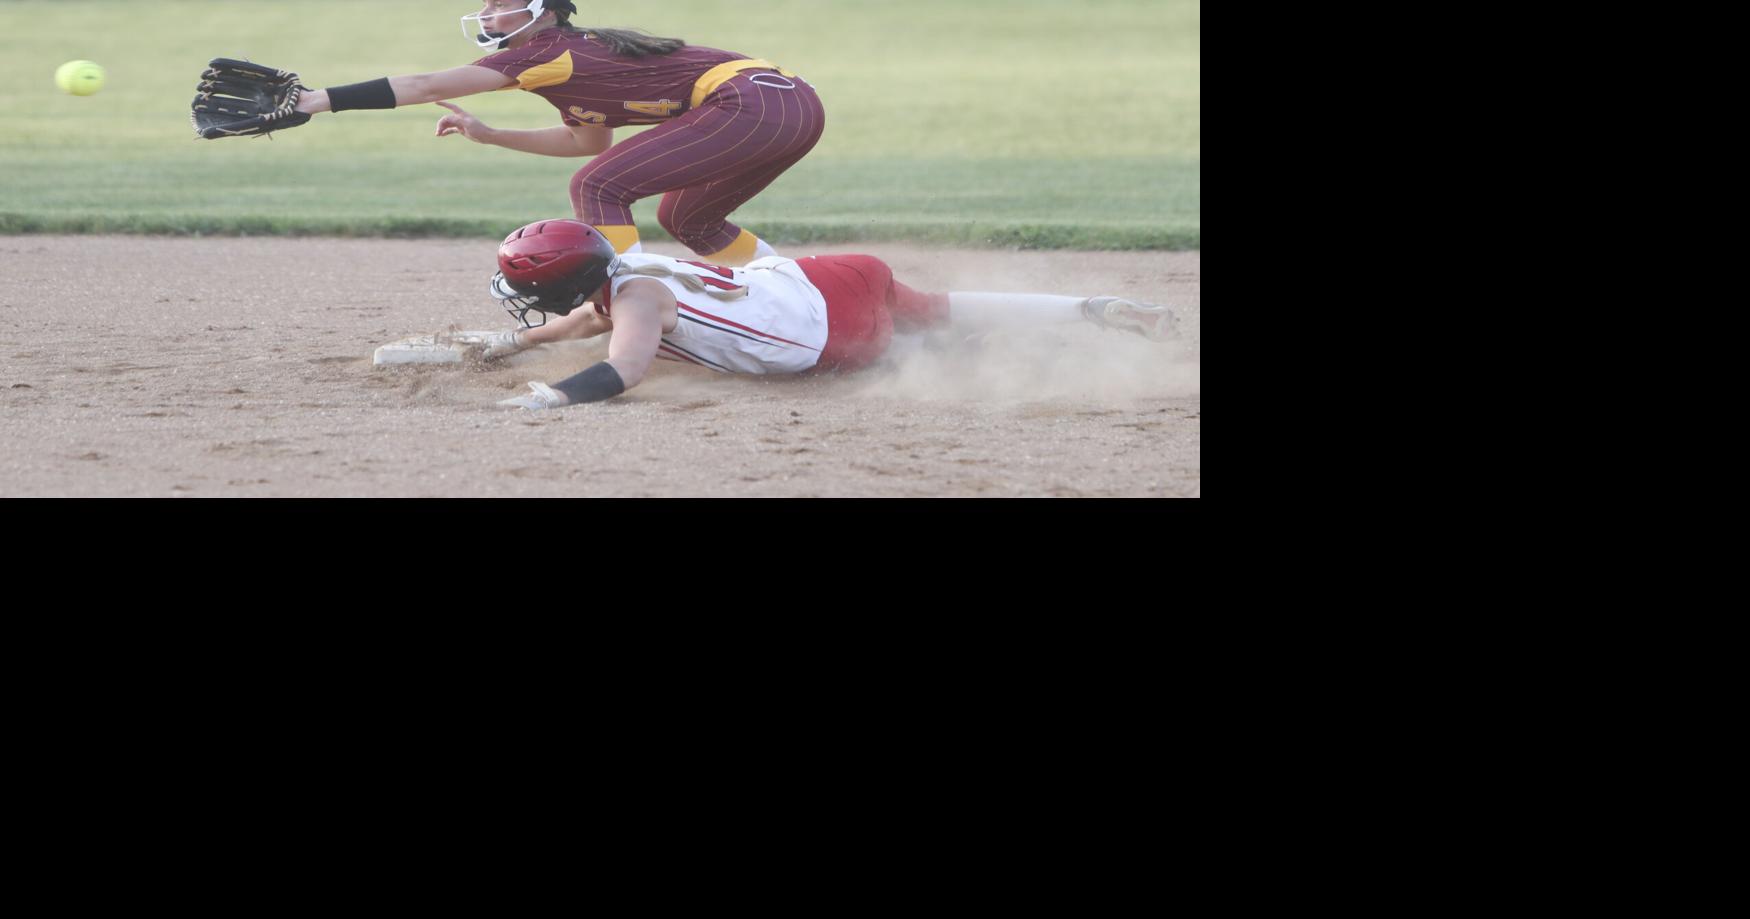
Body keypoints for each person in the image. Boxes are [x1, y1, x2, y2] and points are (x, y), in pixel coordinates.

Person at [294, 0, 824, 266]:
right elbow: (584, 142)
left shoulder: (548, 53)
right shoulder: (565, 67)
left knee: (597, 188)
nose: (486, 13)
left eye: (498, 3)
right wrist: (491, 134)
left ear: (541, 12)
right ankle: (792, 291)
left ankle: (632, 310)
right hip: (789, 105)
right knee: (685, 217)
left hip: (750, 102)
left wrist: (317, 100)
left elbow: (422, 83)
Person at [464, 220, 1179, 410]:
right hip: (822, 277)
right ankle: (1094, 309)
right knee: (936, 310)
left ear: (574, 280)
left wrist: (554, 396)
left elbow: (625, 364)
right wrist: (504, 345)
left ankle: (1057, 352)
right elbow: (587, 324)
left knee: (931, 351)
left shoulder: (638, 303)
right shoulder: (630, 274)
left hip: (830, 335)